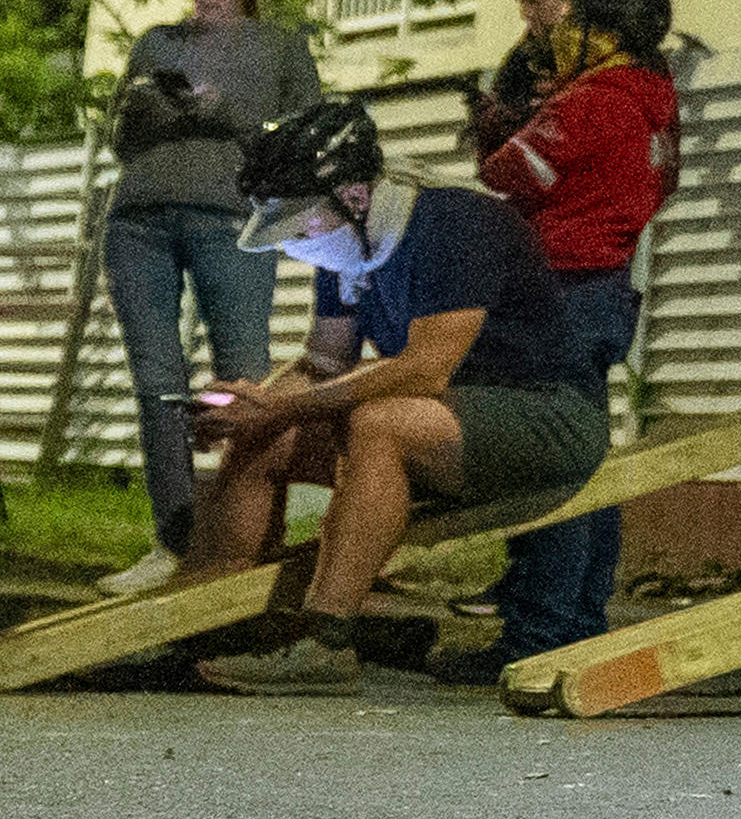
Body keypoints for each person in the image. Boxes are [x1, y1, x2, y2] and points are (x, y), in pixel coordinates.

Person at [177, 99, 610, 693]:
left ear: (354, 195)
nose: (295, 243)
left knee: (382, 423)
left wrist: (283, 406)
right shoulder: (347, 243)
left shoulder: (455, 225)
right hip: (445, 420)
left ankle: (326, 643)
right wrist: (252, 406)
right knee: (267, 433)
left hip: (549, 415)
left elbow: (425, 370)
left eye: (301, 224)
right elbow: (322, 363)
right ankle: (214, 618)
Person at [438, 0, 680, 679]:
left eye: (572, 22)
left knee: (543, 465)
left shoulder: (592, 101)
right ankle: (578, 623)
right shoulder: (654, 101)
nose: (560, 34)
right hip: (606, 286)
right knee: (586, 461)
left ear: (604, 34)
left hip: (558, 290)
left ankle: (535, 634)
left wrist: (498, 125)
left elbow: (506, 172)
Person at [97, 0, 324, 591]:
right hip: (139, 220)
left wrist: (228, 114)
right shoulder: (157, 42)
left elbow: (304, 139)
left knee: (242, 377)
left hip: (231, 221)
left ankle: (246, 542)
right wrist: (143, 107)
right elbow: (120, 141)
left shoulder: (280, 47)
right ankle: (174, 540)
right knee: (157, 381)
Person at [461, 0, 593, 166]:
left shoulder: (607, 49)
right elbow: (489, 156)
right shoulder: (523, 59)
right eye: (521, 1)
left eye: (534, 0)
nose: (525, 13)